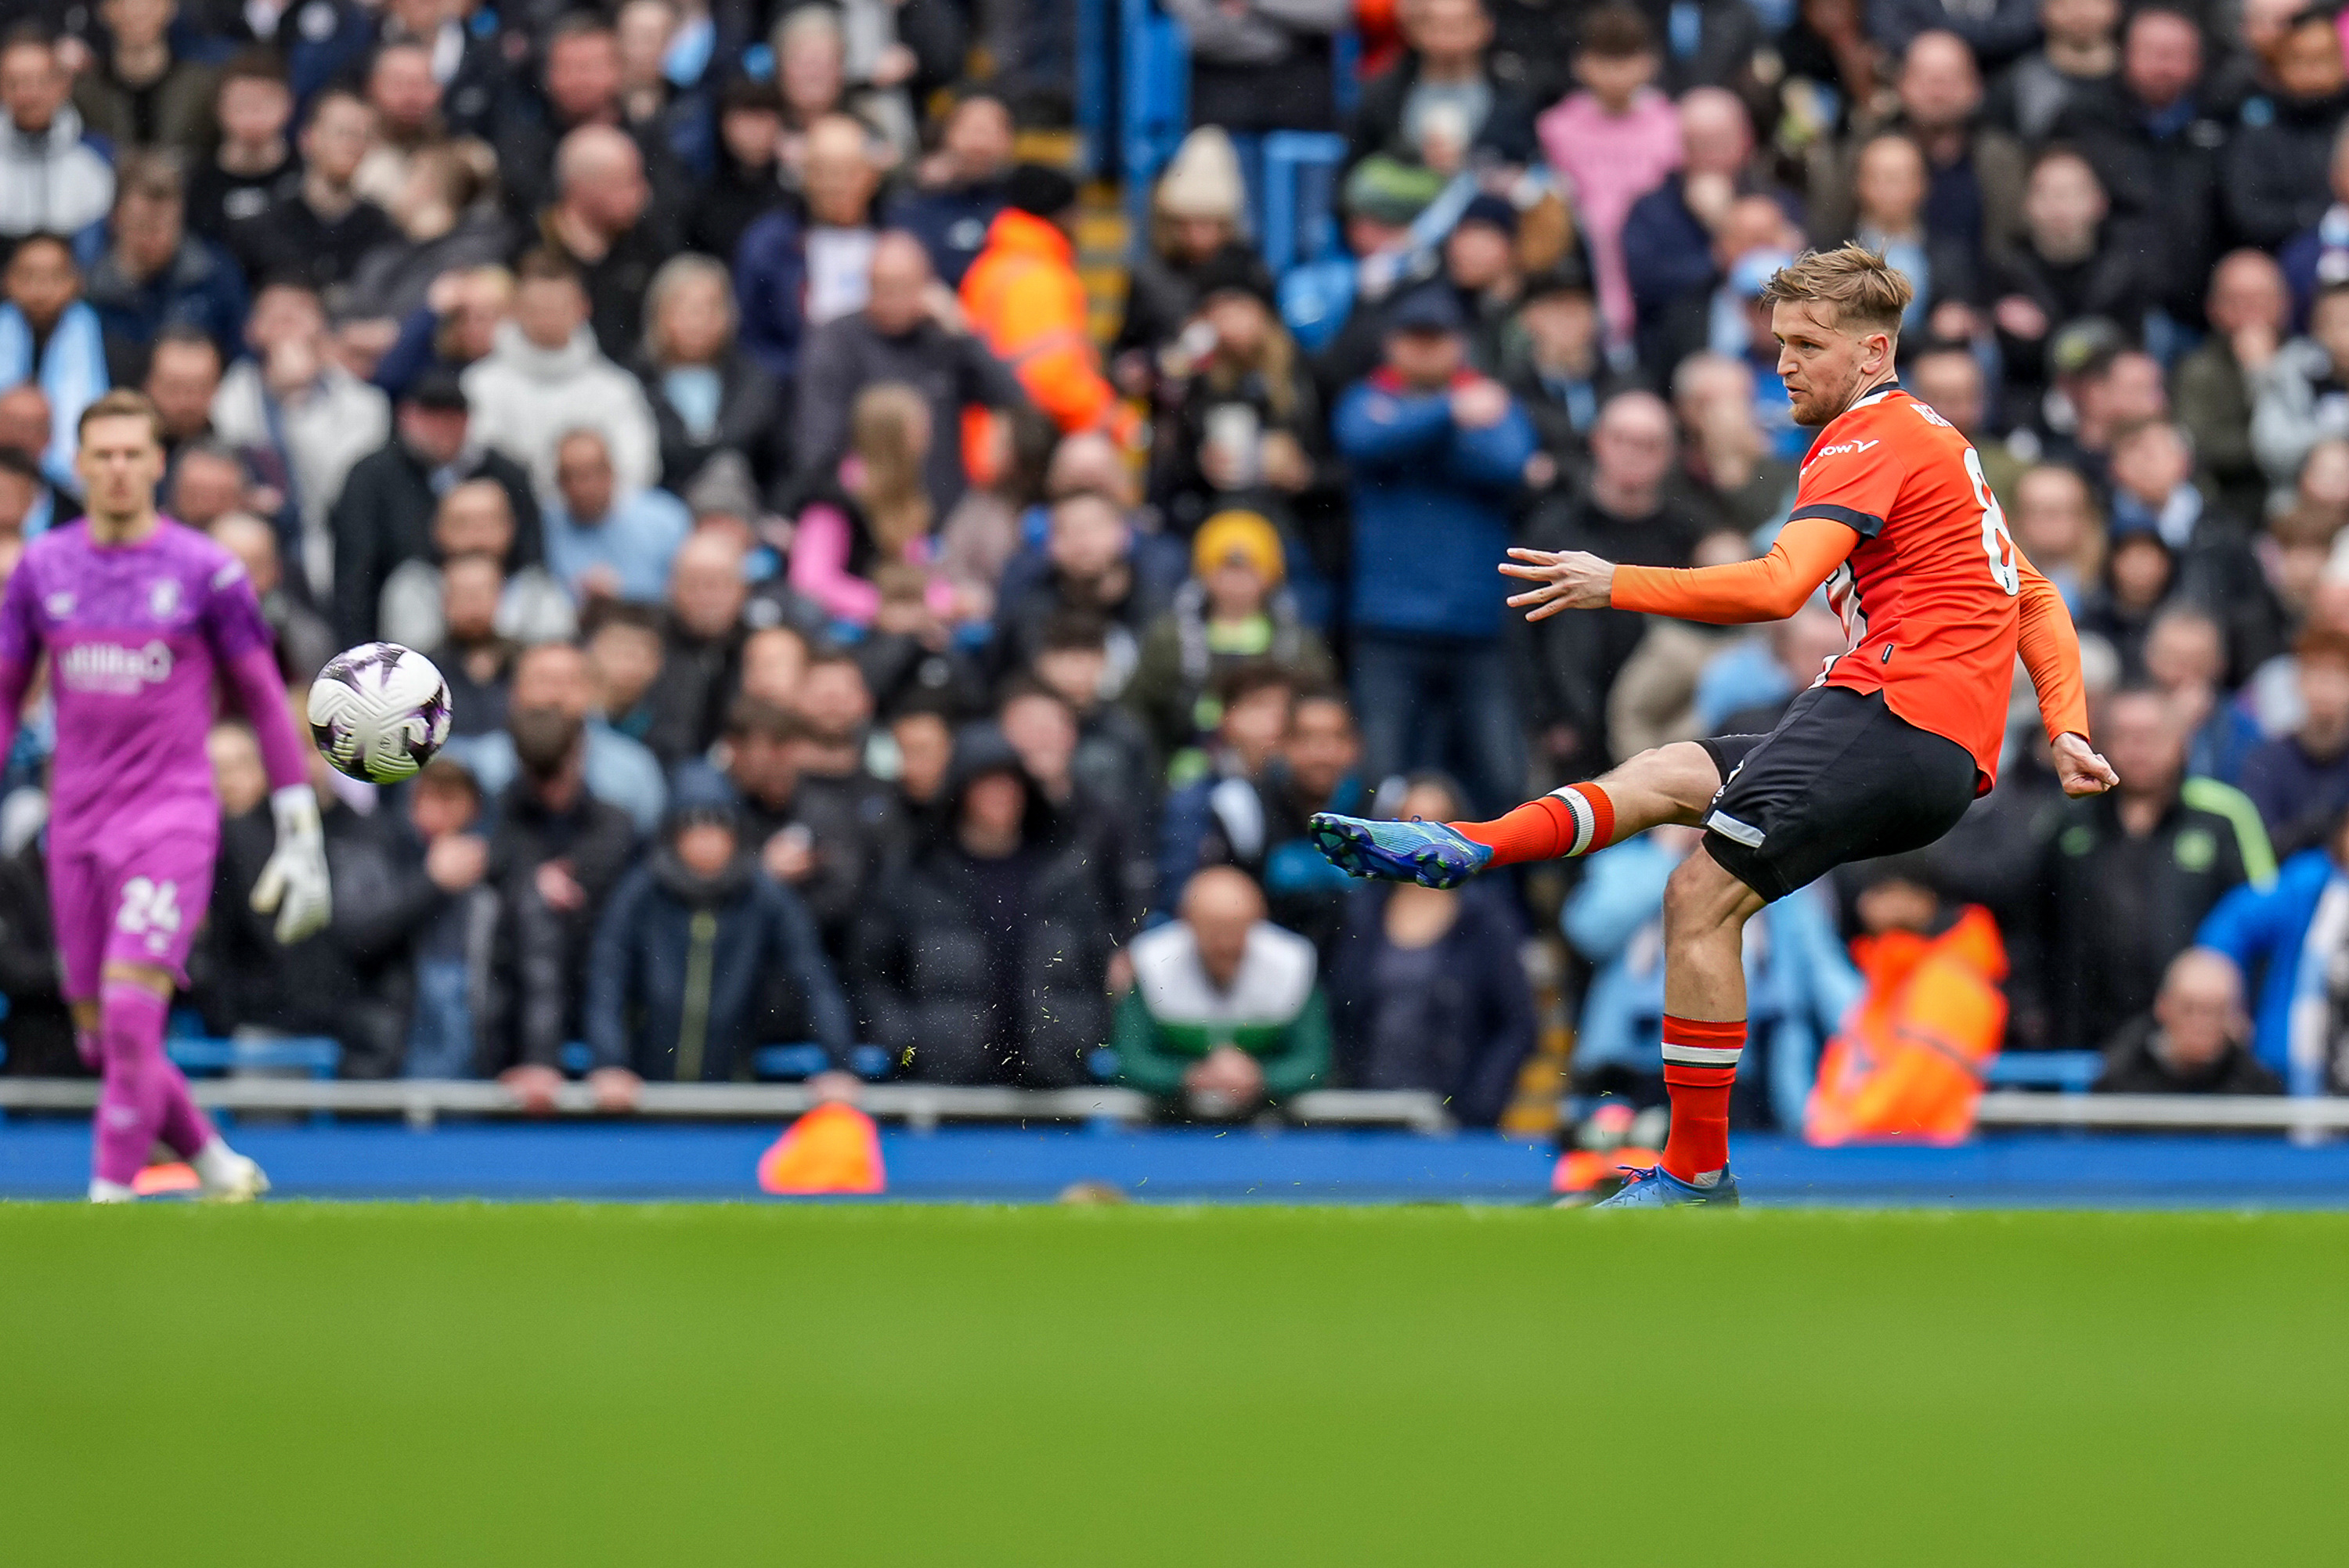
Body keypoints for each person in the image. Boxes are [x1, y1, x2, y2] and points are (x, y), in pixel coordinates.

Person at [1310, 244, 2114, 1206]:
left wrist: (1617, 583)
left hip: (1895, 714)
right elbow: (2034, 596)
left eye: (1806, 344)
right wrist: (2065, 724)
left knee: (1699, 896)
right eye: (1776, 343)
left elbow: (1780, 587)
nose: (1782, 364)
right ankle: (1469, 845)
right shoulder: (1940, 442)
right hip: (1922, 738)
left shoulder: (1870, 439)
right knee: (1665, 774)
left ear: (1872, 352)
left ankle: (1694, 1176)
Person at [0, 389, 329, 1200]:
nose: (116, 468)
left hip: (170, 817)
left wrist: (299, 825)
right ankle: (218, 1164)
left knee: (128, 1015)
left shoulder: (205, 570)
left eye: (131, 453)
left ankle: (109, 1198)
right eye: (101, 454)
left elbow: (261, 694)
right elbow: (6, 694)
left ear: (157, 462)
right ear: (76, 465)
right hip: (74, 823)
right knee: (102, 1041)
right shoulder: (43, 568)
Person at [1333, 285, 1535, 813]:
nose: (1424, 350)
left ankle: (1496, 894)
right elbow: (1360, 440)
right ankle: (1375, 895)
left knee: (1503, 777)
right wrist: (1451, 414)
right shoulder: (1374, 397)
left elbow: (1511, 460)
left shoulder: (1477, 401)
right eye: (1413, 338)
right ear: (1392, 343)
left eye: (1436, 338)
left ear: (1459, 343)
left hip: (1475, 627)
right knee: (1379, 779)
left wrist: (1415, 437)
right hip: (1388, 626)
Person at [846, 723, 1112, 1086]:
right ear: (960, 790)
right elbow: (872, 972)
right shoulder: (915, 874)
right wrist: (910, 1045)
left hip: (1050, 1082)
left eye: (1010, 783)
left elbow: (1096, 968)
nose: (1000, 795)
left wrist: (1077, 1037)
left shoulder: (1064, 873)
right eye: (986, 783)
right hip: (944, 1083)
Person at [2020, 685, 2268, 1054]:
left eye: (2151, 736)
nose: (2138, 749)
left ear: (2182, 741)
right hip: (2081, 1040)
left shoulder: (2224, 817)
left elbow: (2263, 924)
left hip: (2196, 1047)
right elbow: (2031, 924)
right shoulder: (2067, 822)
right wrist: (2031, 1006)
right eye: (2125, 736)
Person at [584, 787, 853, 1094]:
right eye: (694, 827)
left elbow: (813, 978)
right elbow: (607, 977)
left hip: (733, 1098)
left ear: (735, 834)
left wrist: (840, 1066)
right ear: (674, 834)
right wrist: (607, 1064)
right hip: (645, 1095)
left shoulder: (764, 897)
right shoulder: (642, 893)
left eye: (717, 827)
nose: (706, 841)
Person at [1325, 775, 1535, 1126]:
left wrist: (1479, 1107)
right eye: (1411, 824)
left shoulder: (1487, 918)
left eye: (1437, 826)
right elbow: (1340, 1009)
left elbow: (1518, 1025)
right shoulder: (1363, 912)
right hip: (1364, 1111)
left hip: (1454, 1117)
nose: (1423, 840)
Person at [793, 232, 1027, 514]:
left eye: (902, 287)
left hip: (944, 515)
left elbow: (1013, 400)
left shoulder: (943, 340)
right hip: (869, 518)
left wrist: (963, 332)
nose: (890, 299)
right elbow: (818, 453)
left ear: (928, 287)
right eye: (880, 286)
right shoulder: (837, 342)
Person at [1114, 866, 1330, 1116]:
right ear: (1187, 922)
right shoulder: (1151, 962)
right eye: (1214, 930)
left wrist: (1261, 1078)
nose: (1226, 943)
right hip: (1167, 1122)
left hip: (1271, 1121)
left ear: (1259, 922)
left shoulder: (1292, 962)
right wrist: (1190, 1076)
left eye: (1237, 928)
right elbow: (1129, 1060)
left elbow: (1314, 1061)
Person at [460, 249, 661, 499]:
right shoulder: (479, 385)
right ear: (515, 309)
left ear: (583, 308)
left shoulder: (617, 388)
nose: (548, 318)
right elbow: (476, 460)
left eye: (559, 306)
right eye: (537, 307)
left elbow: (638, 469)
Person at [960, 164, 1122, 438]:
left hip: (989, 436)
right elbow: (1051, 377)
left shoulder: (990, 265)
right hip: (1020, 447)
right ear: (1061, 214)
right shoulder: (1040, 277)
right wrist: (1118, 421)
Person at [637, 252, 785, 495]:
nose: (699, 321)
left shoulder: (756, 380)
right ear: (658, 315)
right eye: (686, 309)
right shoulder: (631, 382)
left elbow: (773, 461)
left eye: (711, 308)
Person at [2093, 947, 2282, 1096]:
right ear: (2163, 1006)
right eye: (2188, 1008)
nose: (2201, 1023)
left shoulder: (2258, 1090)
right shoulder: (2120, 1078)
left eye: (2214, 1010)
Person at [541, 427, 691, 606]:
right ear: (558, 482)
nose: (580, 487)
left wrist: (624, 596)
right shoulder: (545, 527)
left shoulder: (666, 519)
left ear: (611, 472)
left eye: (589, 474)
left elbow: (687, 594)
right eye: (569, 476)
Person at [0, 29, 115, 243]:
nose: (27, 95)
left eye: (39, 81)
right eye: (14, 82)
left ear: (62, 84)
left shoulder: (97, 155)